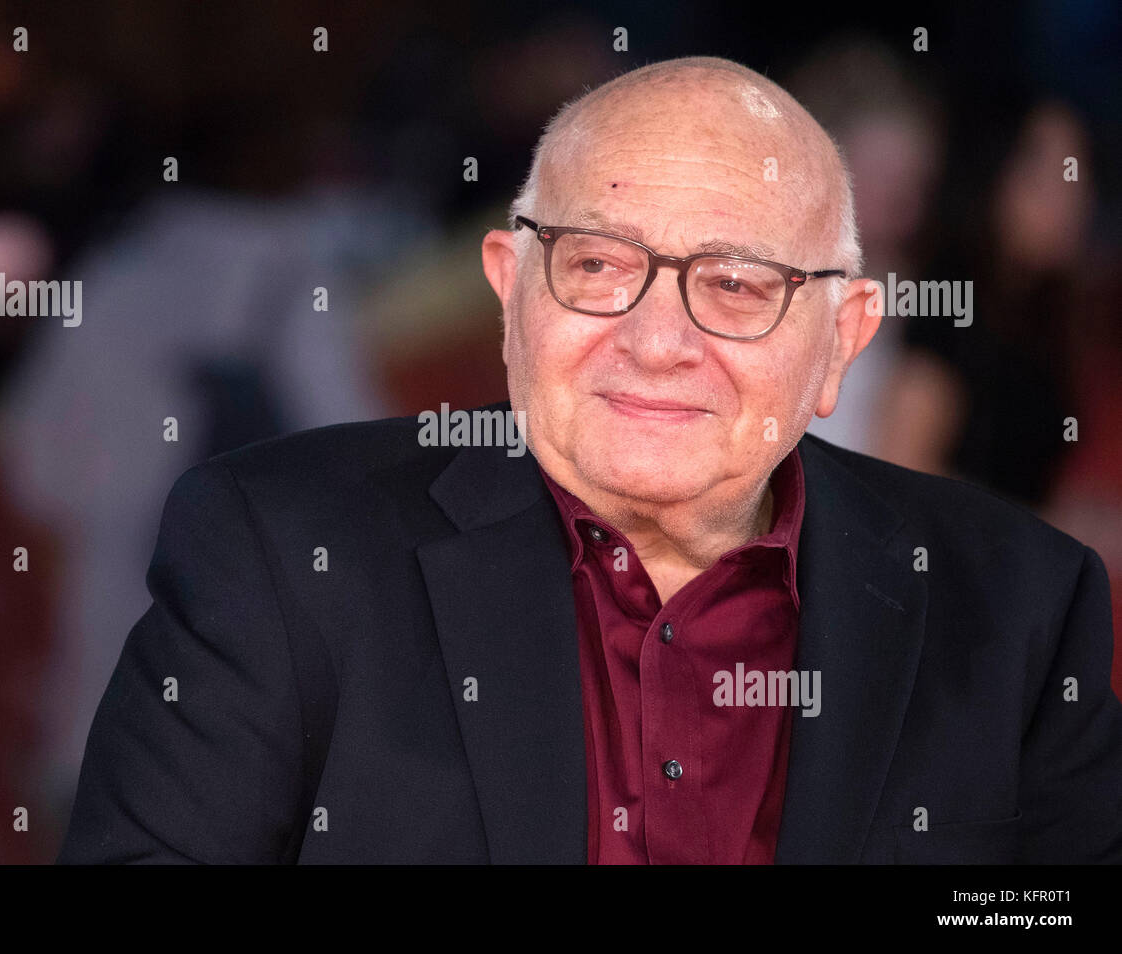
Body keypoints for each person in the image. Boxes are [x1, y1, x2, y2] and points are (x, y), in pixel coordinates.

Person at [58, 56, 1122, 864]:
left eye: (736, 286)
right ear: (510, 288)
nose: (656, 341)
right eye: (599, 266)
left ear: (841, 340)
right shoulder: (280, 553)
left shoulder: (1016, 602)